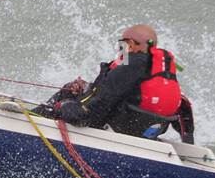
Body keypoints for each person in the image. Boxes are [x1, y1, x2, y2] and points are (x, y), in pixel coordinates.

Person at [35, 24, 195, 143]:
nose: (120, 50)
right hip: (142, 132)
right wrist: (188, 142)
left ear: (130, 44)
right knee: (78, 90)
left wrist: (63, 106)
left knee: (68, 91)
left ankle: (31, 118)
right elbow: (183, 106)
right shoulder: (163, 70)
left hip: (114, 129)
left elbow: (93, 110)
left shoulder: (128, 64)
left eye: (122, 45)